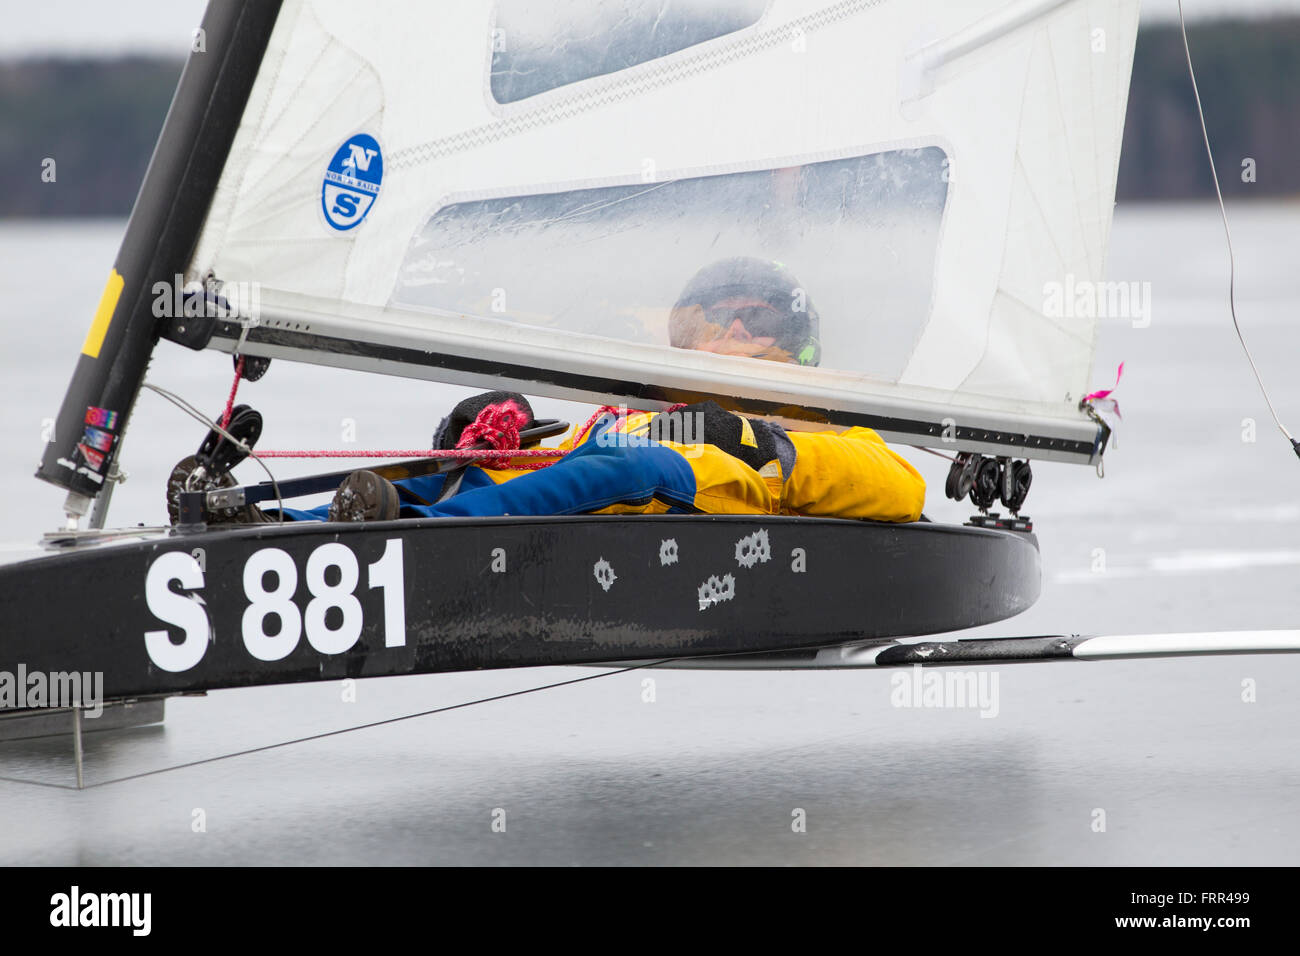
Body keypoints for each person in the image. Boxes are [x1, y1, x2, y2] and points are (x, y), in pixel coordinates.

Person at [167, 258, 924, 525]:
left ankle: (411, 533)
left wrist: (757, 439)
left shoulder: (825, 426)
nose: (730, 335)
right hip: (617, 467)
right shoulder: (653, 410)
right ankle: (254, 514)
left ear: (797, 342)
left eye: (749, 320)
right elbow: (572, 451)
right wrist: (497, 430)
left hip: (684, 486)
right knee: (461, 467)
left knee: (618, 467)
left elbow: (901, 485)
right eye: (713, 320)